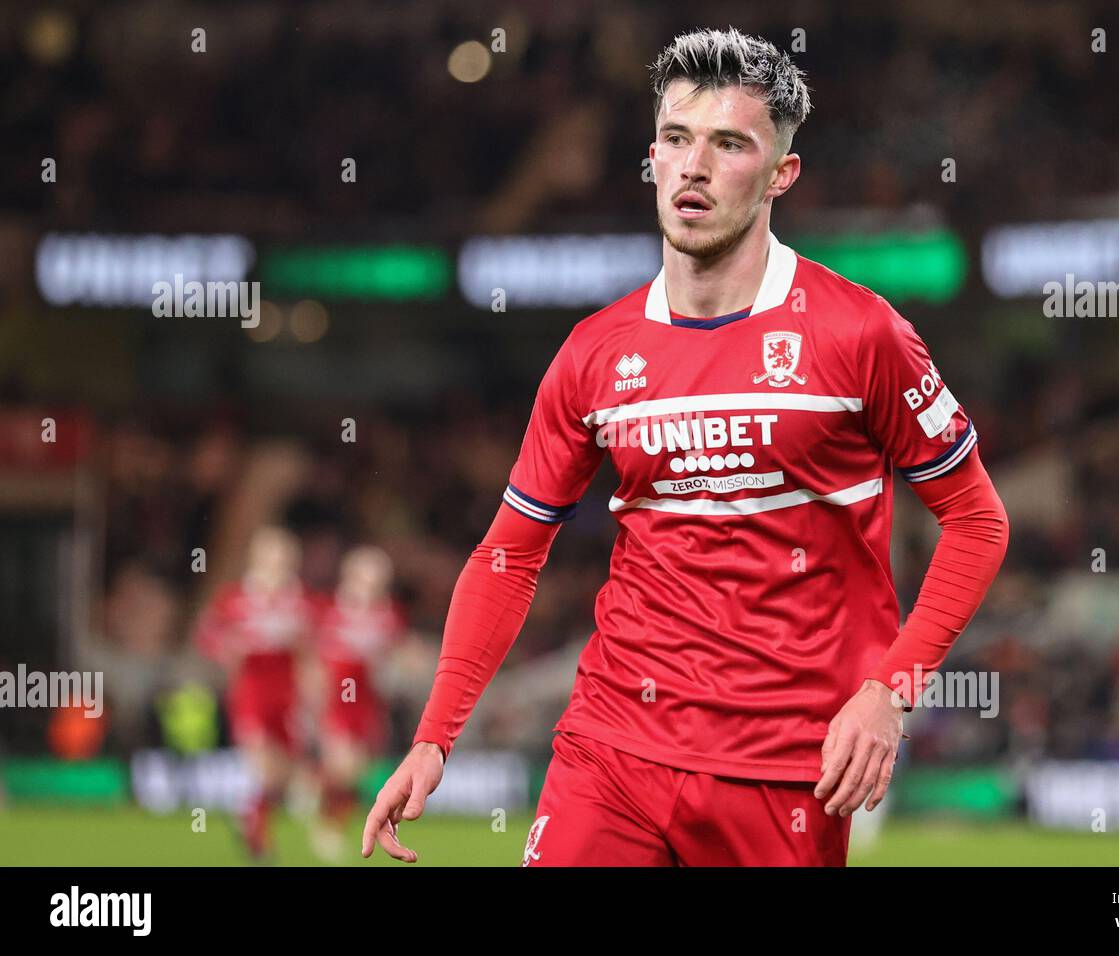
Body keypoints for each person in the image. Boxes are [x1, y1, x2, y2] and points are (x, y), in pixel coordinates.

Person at [363, 27, 1010, 867]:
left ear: (781, 174)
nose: (694, 166)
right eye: (676, 139)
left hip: (785, 770)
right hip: (611, 748)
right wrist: (435, 736)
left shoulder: (861, 334)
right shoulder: (595, 353)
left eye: (729, 144)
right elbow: (509, 553)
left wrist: (892, 691)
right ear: (653, 158)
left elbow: (977, 521)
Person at [195, 526, 314, 859]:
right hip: (252, 691)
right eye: (271, 558)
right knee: (263, 761)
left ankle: (251, 817)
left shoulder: (300, 602)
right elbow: (207, 636)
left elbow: (311, 646)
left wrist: (312, 683)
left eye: (283, 559)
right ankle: (257, 834)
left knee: (284, 774)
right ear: (257, 560)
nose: (277, 566)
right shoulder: (235, 599)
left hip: (287, 694)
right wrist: (229, 649)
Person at [308, 545, 405, 860]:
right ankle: (324, 822)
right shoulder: (328, 610)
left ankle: (327, 813)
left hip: (367, 699)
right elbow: (311, 656)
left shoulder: (388, 614)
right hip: (338, 696)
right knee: (344, 763)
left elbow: (390, 656)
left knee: (359, 768)